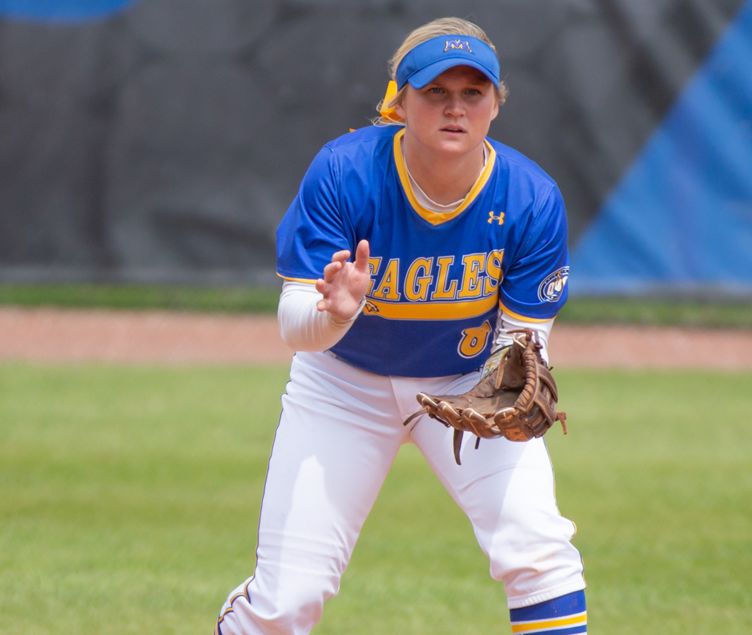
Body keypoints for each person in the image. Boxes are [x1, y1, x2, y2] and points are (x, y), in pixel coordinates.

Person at [214, 17, 586, 635]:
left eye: (473, 93)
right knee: (289, 599)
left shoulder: (529, 198)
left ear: (496, 104)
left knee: (539, 552)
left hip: (466, 384)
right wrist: (334, 313)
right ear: (400, 100)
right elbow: (293, 327)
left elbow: (523, 342)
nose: (455, 108)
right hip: (343, 386)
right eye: (435, 91)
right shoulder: (346, 173)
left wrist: (510, 372)